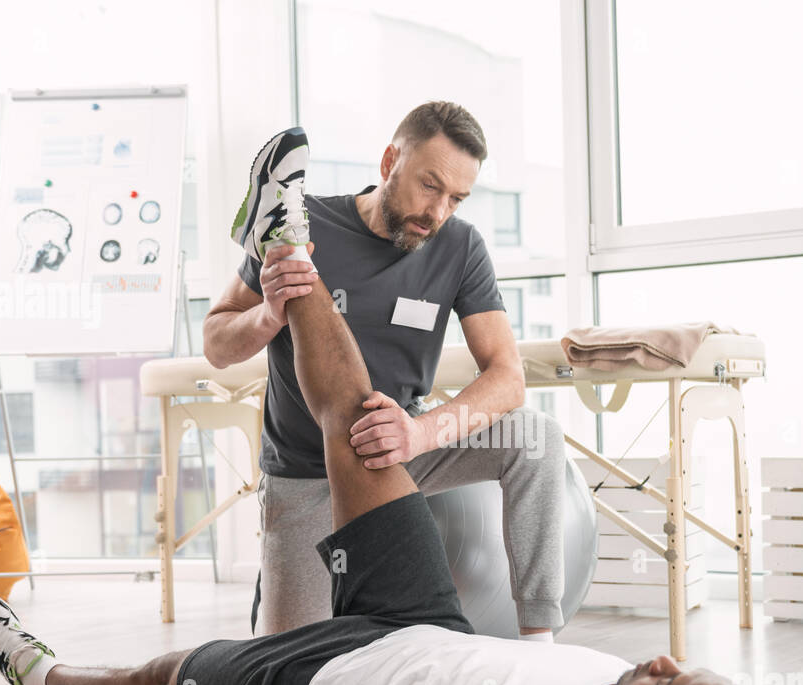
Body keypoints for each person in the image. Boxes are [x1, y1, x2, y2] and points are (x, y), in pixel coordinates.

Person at [0, 216, 773, 685]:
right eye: (679, 665)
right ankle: (285, 240)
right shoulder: (608, 678)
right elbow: (224, 340)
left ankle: (43, 675)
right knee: (361, 419)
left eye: (669, 684)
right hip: (425, 617)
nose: (661, 661)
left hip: (324, 684)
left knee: (163, 677)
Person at [203, 104, 564, 642]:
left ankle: (540, 641)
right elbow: (216, 344)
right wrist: (266, 314)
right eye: (429, 185)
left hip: (397, 454)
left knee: (536, 438)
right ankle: (277, 235)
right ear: (389, 159)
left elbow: (508, 376)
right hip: (305, 475)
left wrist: (419, 433)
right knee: (282, 672)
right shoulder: (317, 221)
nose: (438, 211)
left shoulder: (461, 247)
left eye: (456, 199)